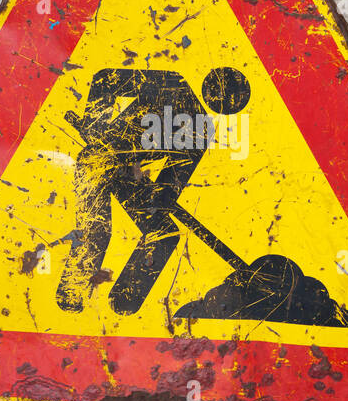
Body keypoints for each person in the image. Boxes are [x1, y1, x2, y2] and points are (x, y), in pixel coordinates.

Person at [56, 65, 249, 315]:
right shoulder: (173, 84)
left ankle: (123, 304)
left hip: (127, 172)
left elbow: (168, 190)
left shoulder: (201, 133)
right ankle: (71, 295)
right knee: (97, 229)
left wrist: (156, 197)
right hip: (97, 161)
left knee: (163, 232)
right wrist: (96, 126)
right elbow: (105, 80)